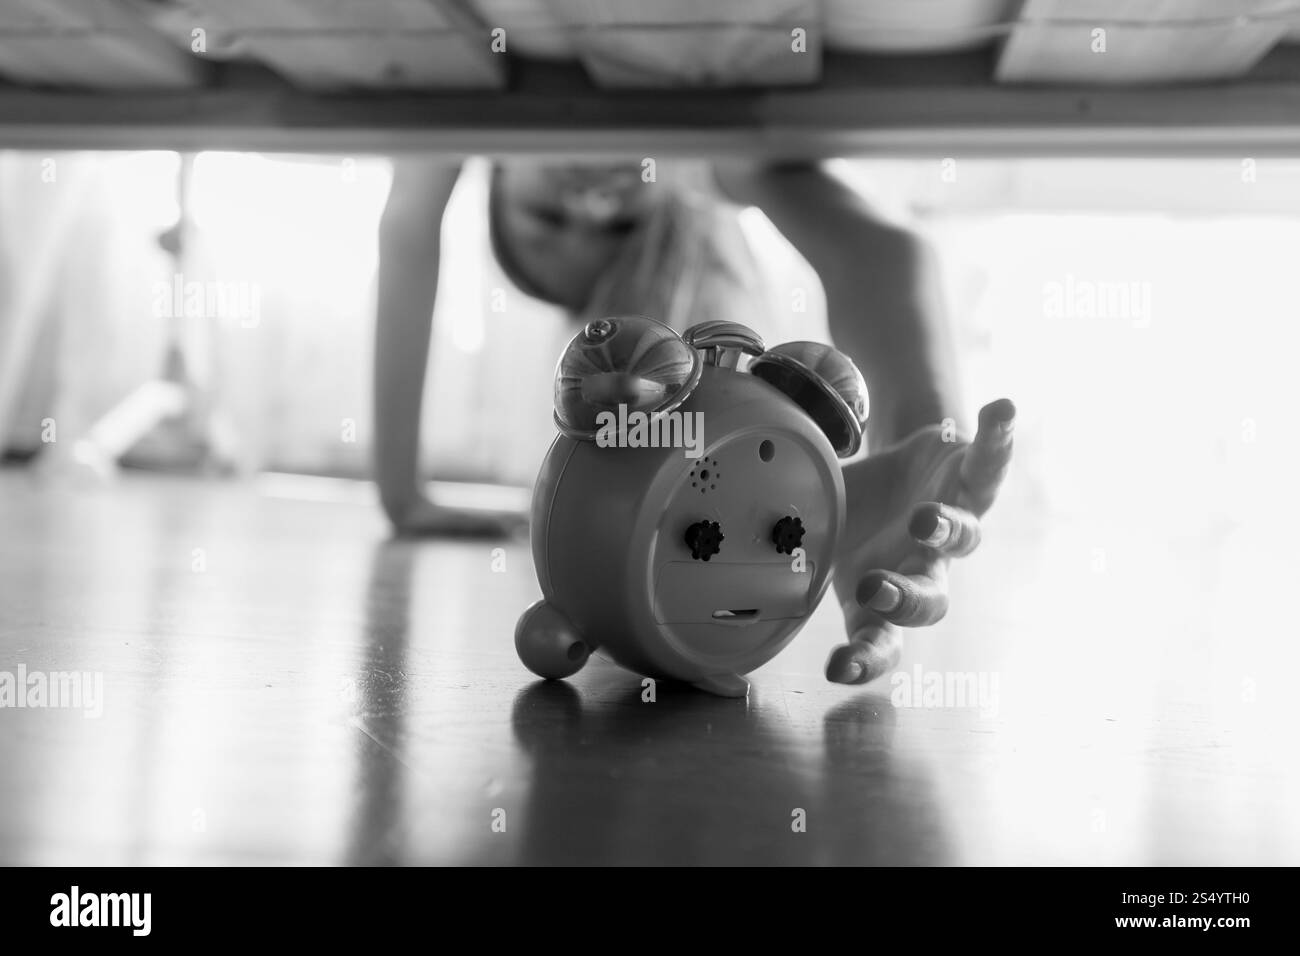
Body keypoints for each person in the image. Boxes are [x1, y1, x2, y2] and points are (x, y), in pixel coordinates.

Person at [374, 157, 1016, 686]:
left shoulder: (466, 113)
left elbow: (407, 219)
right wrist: (926, 442)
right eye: (625, 225)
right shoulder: (705, 153)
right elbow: (880, 254)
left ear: (493, 169)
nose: (592, 205)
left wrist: (401, 495)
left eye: (543, 216)